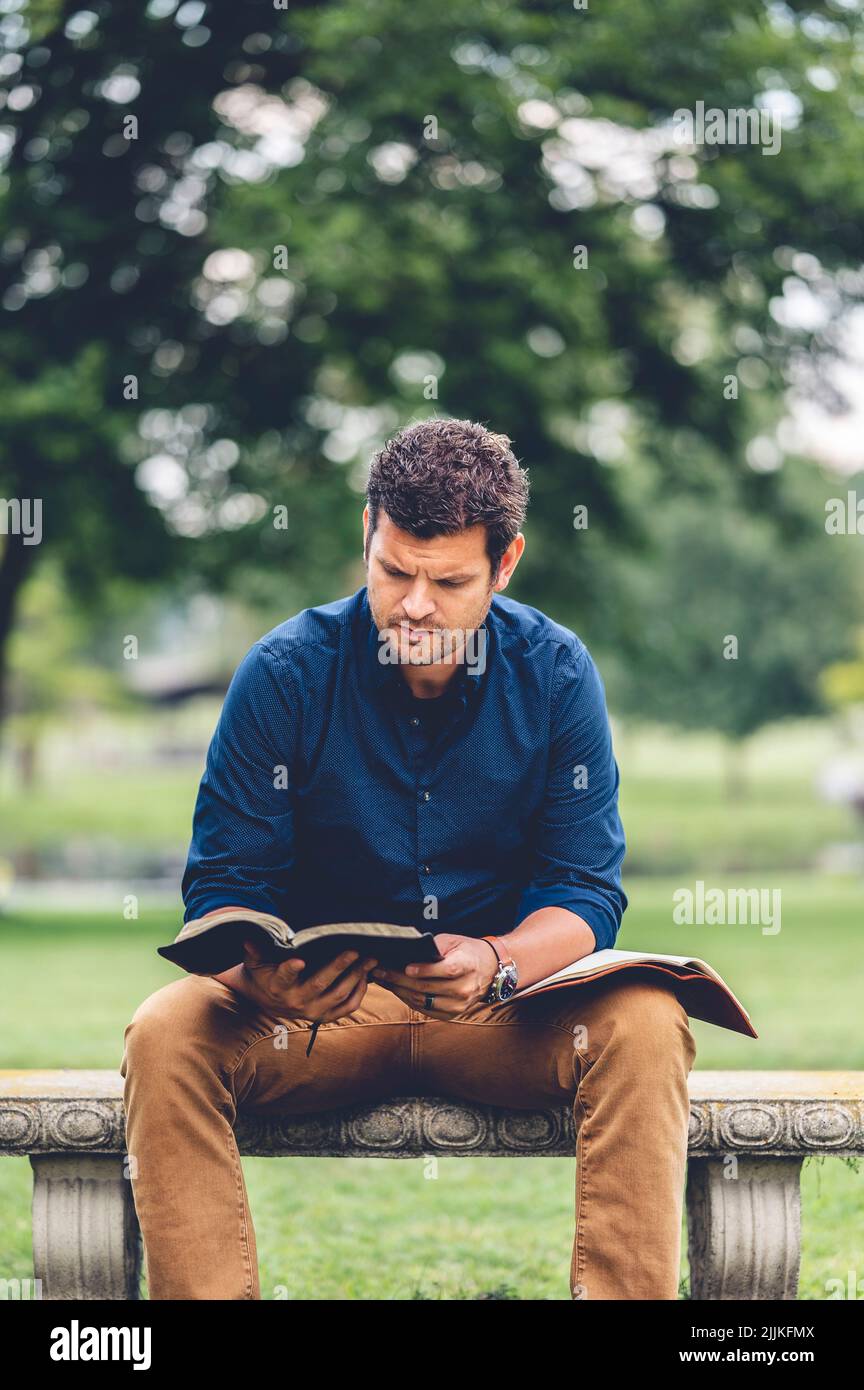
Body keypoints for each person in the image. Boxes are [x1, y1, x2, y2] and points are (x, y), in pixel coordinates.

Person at [121, 417, 696, 1300]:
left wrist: (497, 961)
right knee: (166, 1031)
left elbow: (584, 890)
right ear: (367, 535)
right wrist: (261, 978)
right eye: (394, 571)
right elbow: (224, 883)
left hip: (505, 1014)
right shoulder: (283, 672)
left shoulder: (555, 672)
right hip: (316, 1021)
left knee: (649, 1019)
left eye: (448, 580)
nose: (415, 604)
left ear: (504, 567)